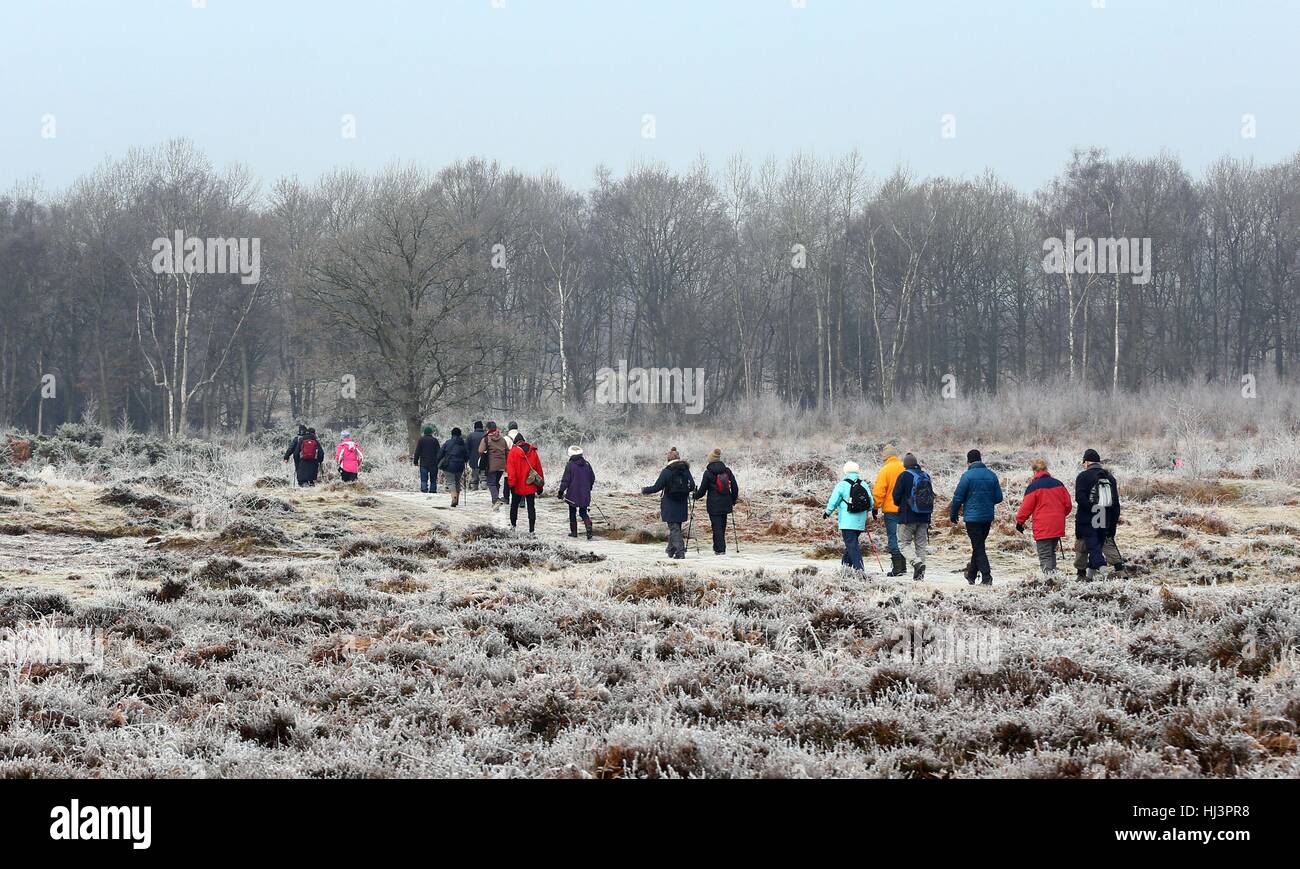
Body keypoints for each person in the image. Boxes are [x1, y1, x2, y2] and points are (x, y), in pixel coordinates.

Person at [949, 449, 1004, 586]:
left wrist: (953, 514)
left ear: (968, 461)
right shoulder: (992, 475)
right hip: (987, 518)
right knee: (978, 545)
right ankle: (971, 574)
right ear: (980, 459)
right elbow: (998, 498)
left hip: (972, 518)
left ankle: (986, 577)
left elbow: (958, 497)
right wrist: (986, 501)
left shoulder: (967, 476)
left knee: (978, 546)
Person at [1016, 458, 1073, 580]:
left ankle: (1049, 581)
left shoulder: (1033, 487)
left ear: (1035, 472)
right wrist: (1060, 516)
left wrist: (1020, 522)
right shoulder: (1059, 484)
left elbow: (1026, 508)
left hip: (1043, 526)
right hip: (1057, 525)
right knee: (1051, 552)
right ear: (1046, 469)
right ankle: (1054, 579)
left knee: (1045, 554)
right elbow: (1068, 505)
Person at [1074, 448, 1123, 581]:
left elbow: (1079, 498)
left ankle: (1103, 572)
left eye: (1083, 462)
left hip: (1087, 518)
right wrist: (1112, 524)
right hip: (1104, 517)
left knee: (1092, 546)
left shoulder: (1082, 477)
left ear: (1087, 462)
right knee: (1097, 544)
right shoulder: (1109, 477)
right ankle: (1089, 577)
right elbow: (1115, 503)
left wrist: (1092, 508)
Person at [641, 447, 694, 559]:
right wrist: (683, 492)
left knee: (674, 528)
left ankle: (680, 552)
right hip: (682, 503)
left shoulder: (666, 471)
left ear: (668, 459)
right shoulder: (685, 470)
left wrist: (645, 490)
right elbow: (692, 486)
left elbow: (657, 487)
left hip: (670, 503)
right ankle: (671, 550)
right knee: (676, 527)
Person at [890, 452, 934, 581]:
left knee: (903, 543)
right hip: (925, 516)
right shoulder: (925, 475)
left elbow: (896, 496)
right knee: (920, 544)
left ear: (905, 465)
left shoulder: (904, 476)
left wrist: (901, 505)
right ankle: (920, 574)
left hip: (907, 516)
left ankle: (916, 563)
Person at [824, 461, 872, 572]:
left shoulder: (842, 484)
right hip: (860, 521)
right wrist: (868, 510)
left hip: (847, 521)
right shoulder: (863, 484)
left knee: (852, 546)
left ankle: (860, 570)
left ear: (845, 471)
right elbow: (870, 501)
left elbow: (833, 500)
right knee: (852, 544)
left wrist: (828, 512)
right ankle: (845, 567)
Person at [694, 447, 739, 555]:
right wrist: (732, 500)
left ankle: (720, 550)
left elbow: (702, 491)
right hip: (726, 503)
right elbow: (735, 487)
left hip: (713, 505)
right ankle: (719, 548)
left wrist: (694, 496)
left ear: (710, 460)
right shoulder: (727, 471)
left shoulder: (708, 473)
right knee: (722, 526)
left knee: (716, 527)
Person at [873, 446, 907, 576]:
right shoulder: (904, 467)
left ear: (885, 457)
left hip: (891, 510)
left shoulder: (885, 470)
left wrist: (875, 507)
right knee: (903, 538)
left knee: (893, 537)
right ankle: (903, 567)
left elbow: (879, 491)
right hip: (905, 509)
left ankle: (897, 568)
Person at [506, 431, 545, 533]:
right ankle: (531, 530)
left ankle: (513, 526)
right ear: (524, 441)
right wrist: (540, 486)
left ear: (515, 443)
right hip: (531, 484)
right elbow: (538, 469)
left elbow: (511, 471)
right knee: (531, 506)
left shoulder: (513, 453)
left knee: (514, 506)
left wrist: (511, 484)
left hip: (517, 485)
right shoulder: (533, 452)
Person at [557, 445, 596, 539]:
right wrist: (589, 488)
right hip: (585, 493)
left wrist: (560, 492)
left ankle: (574, 532)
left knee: (572, 512)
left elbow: (565, 480)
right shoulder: (587, 464)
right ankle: (588, 526)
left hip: (572, 494)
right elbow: (592, 478)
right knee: (583, 512)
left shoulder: (570, 465)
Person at [479, 421, 510, 509]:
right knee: (496, 482)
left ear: (488, 429)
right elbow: (507, 451)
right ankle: (496, 500)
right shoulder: (502, 439)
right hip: (501, 465)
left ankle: (495, 500)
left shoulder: (486, 439)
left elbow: (480, 450)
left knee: (491, 483)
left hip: (491, 464)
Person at [439, 427, 470, 507]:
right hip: (460, 466)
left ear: (452, 434)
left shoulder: (448, 442)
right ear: (460, 434)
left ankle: (454, 498)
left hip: (449, 465)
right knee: (457, 482)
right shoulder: (463, 443)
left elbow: (440, 453)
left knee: (451, 482)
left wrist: (437, 461)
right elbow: (467, 456)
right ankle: (457, 500)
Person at [411, 426, 441, 494]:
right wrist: (439, 462)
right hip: (433, 463)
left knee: (424, 479)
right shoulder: (435, 440)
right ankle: (433, 490)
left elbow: (417, 451)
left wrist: (415, 461)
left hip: (423, 463)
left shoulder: (421, 440)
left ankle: (424, 489)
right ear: (431, 433)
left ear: (424, 433)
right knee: (433, 479)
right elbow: (439, 452)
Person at [465, 421, 486, 491]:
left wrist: (467, 458)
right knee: (483, 475)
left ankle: (474, 488)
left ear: (475, 427)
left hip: (473, 459)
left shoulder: (470, 436)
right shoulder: (486, 435)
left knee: (474, 476)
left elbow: (466, 449)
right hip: (484, 459)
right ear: (482, 427)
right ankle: (484, 487)